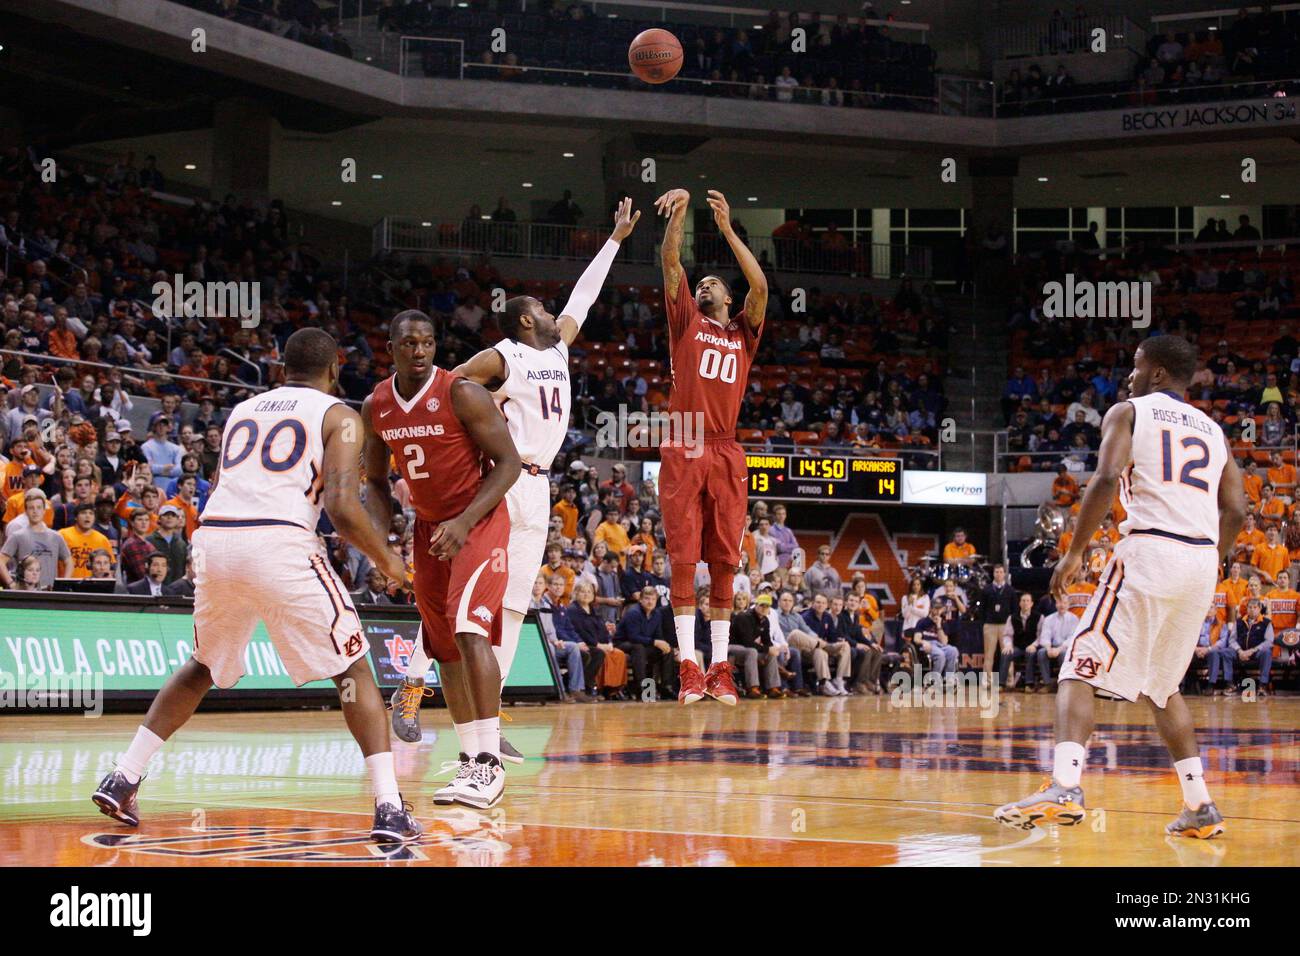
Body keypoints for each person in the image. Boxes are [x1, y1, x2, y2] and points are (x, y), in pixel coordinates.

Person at [91, 328, 420, 844]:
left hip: (217, 540)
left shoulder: (244, 410)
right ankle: (389, 806)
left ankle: (124, 775)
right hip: (280, 543)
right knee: (352, 668)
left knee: (202, 665)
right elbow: (340, 504)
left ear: (282, 367)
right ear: (335, 368)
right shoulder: (340, 416)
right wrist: (389, 561)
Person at [387, 199, 640, 751]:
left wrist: (615, 240)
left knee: (513, 608)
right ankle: (410, 685)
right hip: (499, 484)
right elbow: (443, 390)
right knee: (461, 602)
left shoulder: (559, 351)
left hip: (540, 486)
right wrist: (419, 455)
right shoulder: (501, 357)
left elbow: (583, 299)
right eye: (544, 310)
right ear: (526, 320)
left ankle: (488, 719)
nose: (555, 314)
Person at [996, 335, 1243, 840]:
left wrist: (1074, 551)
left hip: (1151, 550)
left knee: (1077, 666)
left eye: (1135, 365)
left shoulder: (1129, 411)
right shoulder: (1215, 431)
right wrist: (1209, 560)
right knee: (1162, 686)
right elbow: (1237, 510)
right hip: (1199, 563)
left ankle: (1065, 784)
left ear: (1156, 373)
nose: (1128, 374)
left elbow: (1106, 477)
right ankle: (1199, 805)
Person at [362, 311, 520, 810]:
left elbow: (510, 464)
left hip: (479, 519)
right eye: (409, 343)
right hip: (430, 530)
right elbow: (374, 481)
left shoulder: (462, 393)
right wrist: (380, 541)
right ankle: (472, 760)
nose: (420, 351)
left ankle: (491, 762)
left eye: (428, 342)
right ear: (391, 348)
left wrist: (466, 521)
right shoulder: (376, 405)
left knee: (470, 630)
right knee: (444, 646)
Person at [654, 186, 767, 706]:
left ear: (728, 299)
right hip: (684, 442)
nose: (704, 284)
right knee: (682, 556)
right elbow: (671, 259)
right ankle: (688, 665)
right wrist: (680, 213)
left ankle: (721, 666)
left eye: (714, 282)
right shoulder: (687, 321)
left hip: (725, 449)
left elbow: (761, 285)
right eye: (700, 283)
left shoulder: (744, 332)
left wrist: (727, 229)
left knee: (723, 559)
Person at [0, 490, 71, 589]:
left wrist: (64, 584)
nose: (35, 511)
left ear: (44, 510)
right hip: (25, 594)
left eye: (39, 508)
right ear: (26, 511)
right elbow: (1, 560)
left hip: (50, 594)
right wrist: (11, 584)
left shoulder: (56, 536)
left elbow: (69, 561)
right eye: (31, 508)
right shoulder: (18, 536)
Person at [980, 564, 1016, 682]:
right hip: (990, 625)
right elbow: (982, 609)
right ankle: (987, 680)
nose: (999, 574)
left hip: (1005, 626)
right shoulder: (987, 589)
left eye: (1001, 572)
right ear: (993, 574)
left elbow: (1014, 609)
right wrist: (985, 621)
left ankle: (1009, 680)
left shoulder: (1010, 590)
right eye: (996, 572)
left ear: (1004, 573)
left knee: (1007, 653)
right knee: (989, 654)